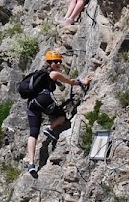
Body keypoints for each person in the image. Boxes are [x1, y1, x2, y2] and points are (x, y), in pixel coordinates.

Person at [24, 50, 91, 178]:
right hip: (43, 100)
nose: (59, 63)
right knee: (62, 117)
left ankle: (31, 164)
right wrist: (83, 82)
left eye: (60, 61)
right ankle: (50, 128)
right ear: (50, 62)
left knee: (33, 133)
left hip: (31, 104)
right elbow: (71, 81)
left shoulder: (39, 73)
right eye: (56, 61)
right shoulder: (54, 74)